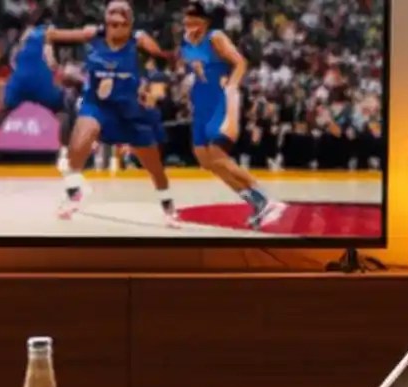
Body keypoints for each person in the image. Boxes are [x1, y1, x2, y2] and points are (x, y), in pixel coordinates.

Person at [47, 1, 178, 225]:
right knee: (79, 143)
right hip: (96, 105)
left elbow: (167, 57)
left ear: (130, 23)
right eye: (112, 13)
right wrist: (50, 52)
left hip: (129, 110)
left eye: (123, 15)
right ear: (106, 19)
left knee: (154, 168)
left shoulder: (139, 41)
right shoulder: (92, 34)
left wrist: (152, 89)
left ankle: (168, 206)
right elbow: (52, 35)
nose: (117, 18)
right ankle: (73, 193)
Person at [180, 0, 285, 229]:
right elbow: (196, 70)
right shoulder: (186, 43)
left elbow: (240, 63)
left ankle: (268, 198)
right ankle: (256, 201)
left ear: (204, 20)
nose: (188, 20)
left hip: (220, 99)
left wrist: (231, 88)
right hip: (200, 103)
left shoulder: (215, 36)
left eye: (193, 16)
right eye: (186, 16)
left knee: (217, 155)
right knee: (205, 159)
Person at [0, 10, 75, 176]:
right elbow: (50, 60)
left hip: (19, 80)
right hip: (39, 79)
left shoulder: (17, 38)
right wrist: (57, 69)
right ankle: (63, 156)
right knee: (65, 112)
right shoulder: (45, 31)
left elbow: (5, 60)